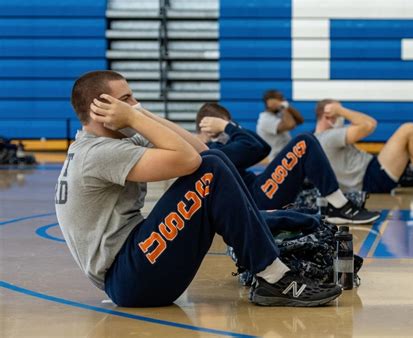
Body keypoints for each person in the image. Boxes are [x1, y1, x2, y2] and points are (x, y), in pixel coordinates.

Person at [55, 70, 342, 308]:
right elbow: (191, 161)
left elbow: (200, 150)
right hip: (130, 278)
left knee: (214, 160)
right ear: (100, 108)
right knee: (211, 169)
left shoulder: (112, 142)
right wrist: (135, 119)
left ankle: (268, 261)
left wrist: (140, 114)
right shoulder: (98, 152)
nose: (136, 104)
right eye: (127, 99)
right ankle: (275, 278)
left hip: (136, 271)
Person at [196, 103, 380, 224]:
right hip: (257, 201)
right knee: (304, 142)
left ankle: (337, 205)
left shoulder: (216, 148)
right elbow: (254, 147)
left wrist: (229, 126)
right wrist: (227, 127)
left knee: (305, 142)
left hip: (258, 193)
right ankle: (340, 207)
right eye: (221, 126)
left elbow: (263, 147)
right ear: (206, 127)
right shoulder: (209, 152)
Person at [314, 100, 413, 194]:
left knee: (408, 250)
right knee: (409, 129)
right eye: (339, 114)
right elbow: (369, 125)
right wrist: (341, 110)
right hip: (371, 177)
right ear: (328, 115)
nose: (343, 118)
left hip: (369, 175)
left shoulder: (318, 139)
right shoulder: (328, 137)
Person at [256, 90, 304, 160]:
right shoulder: (265, 119)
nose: (283, 102)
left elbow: (300, 120)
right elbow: (290, 125)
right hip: (277, 160)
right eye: (280, 100)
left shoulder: (279, 114)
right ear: (269, 102)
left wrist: (287, 106)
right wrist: (282, 107)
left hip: (287, 156)